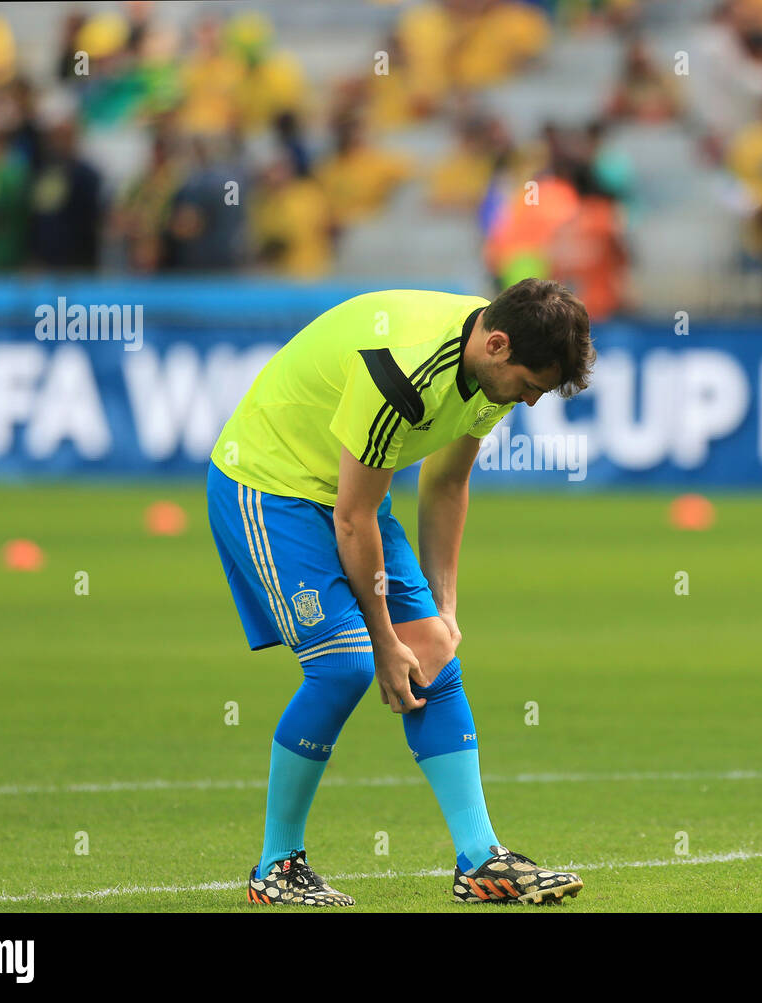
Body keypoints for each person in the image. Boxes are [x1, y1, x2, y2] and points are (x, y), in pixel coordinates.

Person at [206, 279, 594, 906]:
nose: (527, 402)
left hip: (345, 492)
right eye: (528, 385)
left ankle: (480, 862)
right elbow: (355, 519)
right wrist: (384, 640)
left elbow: (445, 484)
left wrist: (444, 605)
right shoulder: (405, 375)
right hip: (270, 483)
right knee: (345, 666)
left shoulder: (488, 368)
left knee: (434, 649)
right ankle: (275, 867)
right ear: (497, 345)